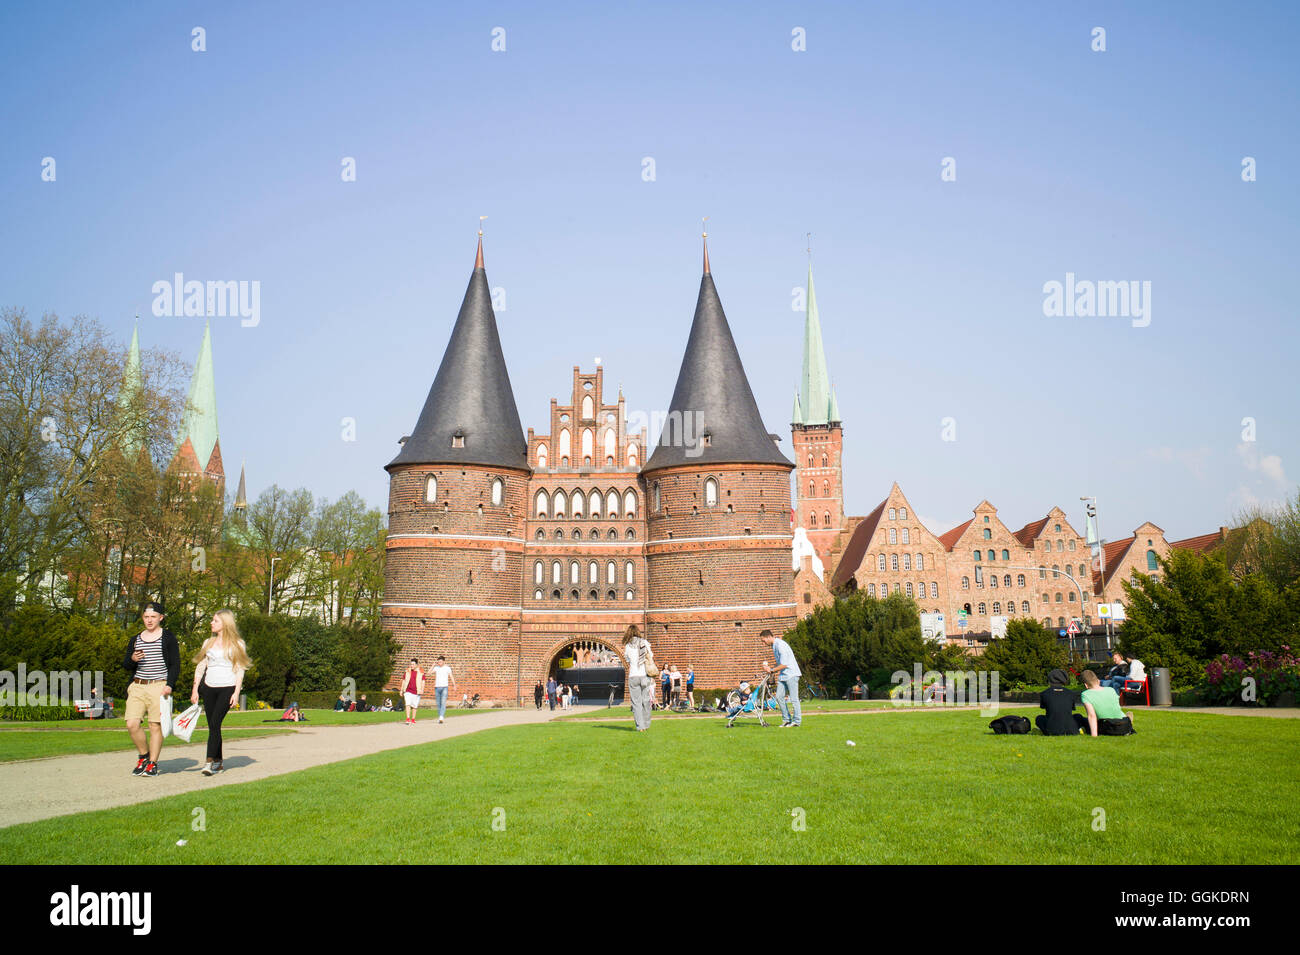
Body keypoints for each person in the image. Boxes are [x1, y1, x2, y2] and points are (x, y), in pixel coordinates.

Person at [122, 601, 180, 778]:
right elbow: (126, 665)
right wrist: (132, 658)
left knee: (155, 725)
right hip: (138, 685)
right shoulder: (136, 639)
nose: (149, 620)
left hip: (159, 685)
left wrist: (169, 684)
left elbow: (175, 664)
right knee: (132, 724)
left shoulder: (168, 637)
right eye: (146, 617)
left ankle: (152, 763)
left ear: (160, 618)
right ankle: (143, 756)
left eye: (153, 617)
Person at [190, 608, 250, 777]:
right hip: (209, 687)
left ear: (225, 623)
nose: (211, 623)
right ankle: (219, 761)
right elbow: (201, 667)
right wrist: (195, 689)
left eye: (215, 620)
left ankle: (209, 762)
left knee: (215, 723)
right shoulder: (207, 642)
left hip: (227, 687)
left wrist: (236, 692)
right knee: (213, 726)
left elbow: (240, 669)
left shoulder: (238, 644)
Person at [761, 630, 802, 727]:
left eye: (763, 641)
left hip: (792, 674)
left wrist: (772, 670)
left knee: (794, 699)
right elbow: (779, 662)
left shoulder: (780, 645)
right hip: (783, 676)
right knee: (779, 696)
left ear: (768, 637)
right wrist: (771, 669)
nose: (763, 643)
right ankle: (786, 720)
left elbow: (784, 664)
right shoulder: (774, 646)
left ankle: (796, 721)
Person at [1079, 669, 1135, 736]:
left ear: (1086, 685)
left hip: (1107, 726)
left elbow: (1091, 715)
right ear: (1098, 681)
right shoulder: (1111, 690)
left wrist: (1094, 735)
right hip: (1124, 725)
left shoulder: (1085, 694)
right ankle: (1127, 719)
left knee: (1079, 718)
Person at [623, 624, 655, 731]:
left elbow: (627, 659)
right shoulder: (644, 642)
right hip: (644, 675)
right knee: (646, 701)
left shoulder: (627, 646)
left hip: (633, 676)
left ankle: (640, 727)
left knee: (636, 704)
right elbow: (651, 655)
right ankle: (646, 724)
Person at [1035, 668, 1086, 735]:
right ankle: (1077, 729)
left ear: (1050, 680)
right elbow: (1071, 709)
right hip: (1070, 729)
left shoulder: (1044, 693)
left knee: (1039, 718)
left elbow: (1044, 707)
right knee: (1078, 716)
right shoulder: (1070, 693)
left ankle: (1045, 731)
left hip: (1051, 729)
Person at [431, 655, 456, 723]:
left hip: (445, 687)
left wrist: (454, 685)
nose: (439, 663)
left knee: (443, 702)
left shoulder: (447, 668)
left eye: (441, 662)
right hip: (437, 687)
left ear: (444, 662)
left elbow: (451, 676)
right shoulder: (436, 668)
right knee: (438, 703)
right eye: (438, 662)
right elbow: (429, 673)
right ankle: (440, 717)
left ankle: (441, 716)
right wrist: (433, 665)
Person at [401, 658, 425, 725]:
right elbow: (403, 680)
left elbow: (423, 681)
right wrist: (401, 690)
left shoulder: (421, 671)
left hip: (417, 691)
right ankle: (408, 718)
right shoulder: (407, 671)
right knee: (407, 704)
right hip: (408, 690)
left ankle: (413, 719)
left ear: (416, 665)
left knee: (414, 706)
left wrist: (422, 690)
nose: (412, 665)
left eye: (413, 664)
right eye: (411, 664)